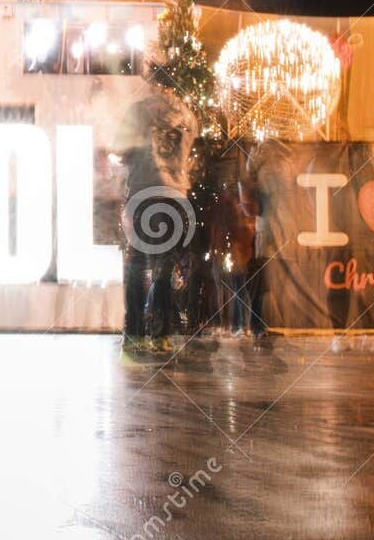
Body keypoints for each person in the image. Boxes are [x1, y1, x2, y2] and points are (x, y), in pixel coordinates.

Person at [113, 80, 198, 355]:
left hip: (143, 191)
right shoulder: (187, 116)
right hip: (174, 195)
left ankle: (135, 332)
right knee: (165, 266)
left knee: (138, 263)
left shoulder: (138, 110)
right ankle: (161, 335)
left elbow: (120, 148)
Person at [209, 158, 263, 341]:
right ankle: (237, 325)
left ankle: (241, 325)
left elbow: (236, 230)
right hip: (235, 252)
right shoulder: (233, 207)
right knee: (236, 289)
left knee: (237, 289)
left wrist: (224, 246)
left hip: (236, 253)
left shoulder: (234, 207)